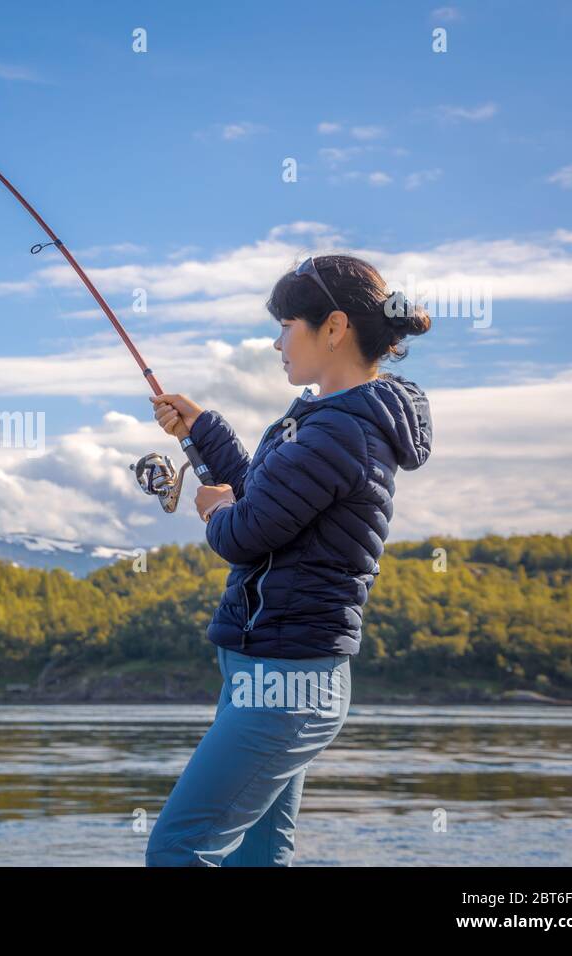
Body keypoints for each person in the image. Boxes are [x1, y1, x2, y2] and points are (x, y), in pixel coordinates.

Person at [143, 254, 433, 866]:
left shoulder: (342, 430)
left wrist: (215, 509)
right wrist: (203, 432)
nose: (277, 341)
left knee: (176, 850)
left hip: (286, 681)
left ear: (333, 328)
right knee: (258, 857)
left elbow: (246, 532)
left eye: (286, 325)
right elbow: (271, 497)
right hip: (273, 673)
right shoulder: (329, 421)